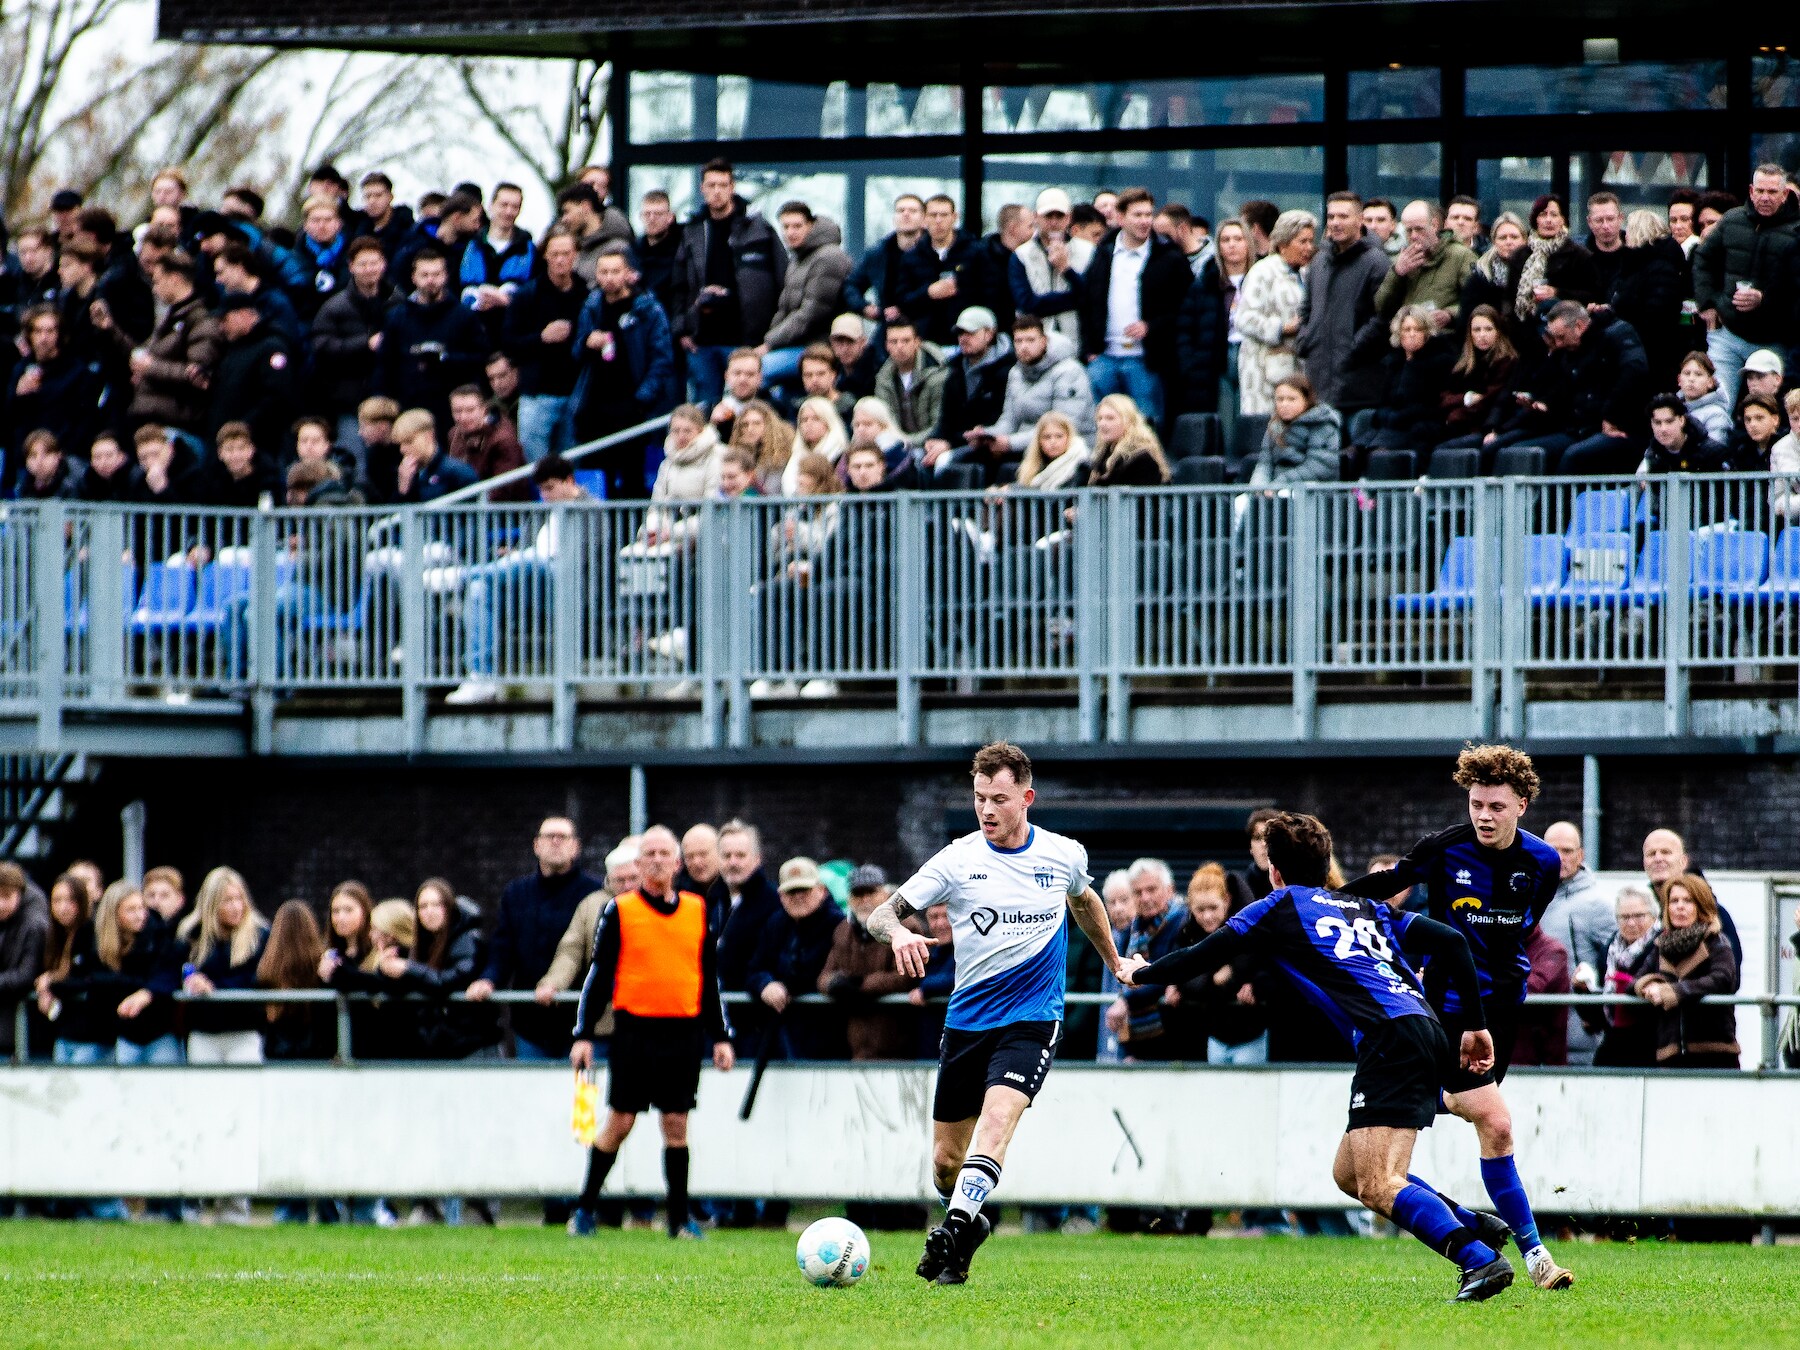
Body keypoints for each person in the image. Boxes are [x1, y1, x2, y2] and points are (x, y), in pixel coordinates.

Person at [1127, 811, 1517, 1303]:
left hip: (1390, 1038)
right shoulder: (1359, 904)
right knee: (1349, 1173)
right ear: (1326, 860)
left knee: (1379, 1184)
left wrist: (1140, 971)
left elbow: (1203, 954)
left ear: (1274, 871)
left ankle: (1479, 1260)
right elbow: (1451, 940)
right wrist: (1477, 1026)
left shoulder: (1279, 905)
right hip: (1423, 1027)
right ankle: (1469, 1222)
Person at [864, 741, 1138, 1285]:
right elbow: (880, 914)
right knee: (946, 1161)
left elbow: (1085, 902)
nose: (987, 810)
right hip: (967, 1023)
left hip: (1033, 1019)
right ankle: (970, 1221)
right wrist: (898, 933)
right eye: (979, 798)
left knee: (997, 1122)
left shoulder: (1062, 855)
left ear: (1026, 797)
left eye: (999, 799)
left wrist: (1115, 961)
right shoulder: (958, 859)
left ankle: (955, 1224)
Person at [1338, 744, 1574, 1291]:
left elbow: (1524, 926)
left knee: (1356, 1174)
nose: (1484, 816)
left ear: (1522, 804)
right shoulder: (1445, 848)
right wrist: (1323, 900)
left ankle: (1473, 1222)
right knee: (1496, 1122)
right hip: (1442, 1012)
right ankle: (1535, 1257)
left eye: (1495, 806)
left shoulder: (1542, 863)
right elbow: (1388, 883)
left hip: (1501, 1009)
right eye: (1475, 805)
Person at [568, 826, 733, 1239]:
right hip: (634, 1032)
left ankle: (679, 1219)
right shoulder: (621, 910)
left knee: (676, 1123)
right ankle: (585, 1209)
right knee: (619, 1121)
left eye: (665, 853)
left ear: (676, 864)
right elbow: (599, 975)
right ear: (638, 864)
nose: (657, 860)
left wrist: (721, 1036)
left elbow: (707, 978)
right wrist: (583, 1033)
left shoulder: (696, 909)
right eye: (649, 854)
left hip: (682, 1032)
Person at [467, 816, 606, 1063]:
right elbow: (503, 949)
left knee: (581, 1098)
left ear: (576, 847)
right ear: (536, 845)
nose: (555, 842)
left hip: (581, 1023)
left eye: (562, 837)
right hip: (531, 1024)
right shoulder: (516, 894)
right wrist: (489, 980)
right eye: (548, 836)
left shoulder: (595, 894)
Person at [671, 160, 786, 405]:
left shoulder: (758, 228)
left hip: (746, 339)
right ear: (702, 188)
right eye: (711, 185)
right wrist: (681, 329)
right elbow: (678, 286)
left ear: (732, 187)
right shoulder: (692, 231)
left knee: (750, 408)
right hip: (702, 340)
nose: (717, 191)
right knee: (705, 410)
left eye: (723, 185)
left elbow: (783, 282)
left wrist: (770, 335)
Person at [1073, 187, 1191, 425]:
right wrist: (1090, 350)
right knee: (1101, 428)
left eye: (1148, 214)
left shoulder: (1170, 257)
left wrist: (1151, 326)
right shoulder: (1103, 253)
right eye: (1137, 215)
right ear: (1120, 217)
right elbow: (1086, 303)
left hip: (1146, 360)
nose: (1145, 221)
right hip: (1104, 358)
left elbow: (1185, 308)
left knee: (1146, 428)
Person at [570, 242, 679, 500]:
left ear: (628, 273)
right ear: (596, 275)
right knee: (597, 477)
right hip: (595, 407)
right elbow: (576, 353)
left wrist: (642, 399)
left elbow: (662, 359)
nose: (609, 278)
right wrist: (587, 343)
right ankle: (600, 538)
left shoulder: (648, 309)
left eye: (615, 271)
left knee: (632, 477)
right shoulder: (591, 307)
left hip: (632, 406)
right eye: (604, 272)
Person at [1691, 163, 1799, 404]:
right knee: (1718, 403)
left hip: (1773, 337)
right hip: (1727, 332)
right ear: (1751, 191)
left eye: (1772, 192)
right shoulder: (1732, 219)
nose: (1765, 198)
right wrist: (1707, 302)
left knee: (1768, 409)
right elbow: (1703, 257)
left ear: (1784, 194)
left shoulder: (1796, 230)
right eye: (1760, 191)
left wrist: (1765, 300)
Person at [1295, 191, 1392, 414]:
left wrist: (1352, 349)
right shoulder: (1319, 260)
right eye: (1331, 217)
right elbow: (1306, 308)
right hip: (1318, 382)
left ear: (1360, 220)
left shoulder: (1376, 262)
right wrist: (1305, 340)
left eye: (1343, 216)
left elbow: (1383, 318)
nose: (1336, 223)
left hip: (1358, 387)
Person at [378, 247, 487, 436]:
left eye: (436, 274)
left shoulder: (464, 316)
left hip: (453, 411)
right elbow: (385, 364)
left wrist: (446, 359)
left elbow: (481, 357)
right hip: (410, 406)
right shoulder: (397, 317)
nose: (430, 280)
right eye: (425, 274)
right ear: (414, 277)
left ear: (445, 276)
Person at [501, 228, 589, 463]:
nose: (560, 259)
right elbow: (508, 344)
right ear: (545, 256)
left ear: (576, 255)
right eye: (554, 254)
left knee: (572, 467)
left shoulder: (587, 294)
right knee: (535, 467)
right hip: (538, 395)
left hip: (576, 393)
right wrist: (541, 337)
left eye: (566, 253)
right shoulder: (527, 295)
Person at [1634, 873, 1740, 1069]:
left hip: (1714, 1052)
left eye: (1688, 901)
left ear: (1701, 906)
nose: (1680, 906)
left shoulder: (1717, 942)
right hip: (1669, 1053)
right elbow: (1636, 979)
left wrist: (1674, 992)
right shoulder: (1660, 944)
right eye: (1674, 901)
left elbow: (1723, 978)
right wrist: (1650, 985)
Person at [1535, 301, 1652, 476]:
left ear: (1579, 326)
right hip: (1579, 427)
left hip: (1620, 427)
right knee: (1527, 451)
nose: (1558, 344)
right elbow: (1561, 386)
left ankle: (1559, 504)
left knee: (1573, 457)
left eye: (1561, 337)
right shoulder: (1569, 349)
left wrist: (1611, 416)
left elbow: (1635, 371)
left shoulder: (1616, 334)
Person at [818, 864, 920, 1059]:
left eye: (871, 893)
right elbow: (824, 976)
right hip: (854, 1044)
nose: (864, 900)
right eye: (858, 894)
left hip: (898, 1044)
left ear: (885, 893)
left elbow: (908, 976)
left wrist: (859, 985)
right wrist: (834, 984)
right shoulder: (843, 930)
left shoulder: (906, 926)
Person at [1537, 821, 1616, 1067]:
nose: (1559, 858)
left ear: (1581, 855)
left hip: (1582, 1039)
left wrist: (1597, 1011)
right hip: (1536, 1031)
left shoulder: (1597, 904)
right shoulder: (1529, 899)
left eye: (1567, 851)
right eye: (1553, 850)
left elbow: (1617, 962)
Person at [179, 866, 270, 1065]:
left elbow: (259, 978)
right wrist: (192, 983)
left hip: (244, 1030)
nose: (237, 906)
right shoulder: (191, 935)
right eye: (228, 901)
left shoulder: (259, 935)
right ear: (212, 904)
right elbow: (174, 971)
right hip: (204, 1031)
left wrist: (213, 988)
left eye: (240, 898)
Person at [1236, 210, 1316, 419]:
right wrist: (1282, 327)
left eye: (1311, 241)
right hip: (1263, 372)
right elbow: (1243, 319)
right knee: (1267, 430)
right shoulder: (1263, 272)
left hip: (1297, 372)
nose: (1309, 248)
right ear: (1283, 242)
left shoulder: (1307, 273)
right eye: (1303, 241)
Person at [1175, 218, 1252, 433]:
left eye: (1238, 238)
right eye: (1226, 239)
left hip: (1253, 355)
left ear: (1249, 243)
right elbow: (1185, 328)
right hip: (1216, 360)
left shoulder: (1262, 278)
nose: (1232, 244)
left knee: (1251, 418)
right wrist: (1190, 365)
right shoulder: (1205, 282)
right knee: (1225, 424)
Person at [922, 307, 1014, 482]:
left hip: (989, 445)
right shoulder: (954, 371)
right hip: (958, 442)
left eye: (970, 333)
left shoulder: (1007, 372)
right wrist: (934, 439)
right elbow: (945, 419)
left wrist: (949, 444)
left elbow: (995, 421)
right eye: (960, 333)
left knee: (945, 462)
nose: (963, 338)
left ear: (989, 333)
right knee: (920, 460)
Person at [759, 203, 853, 373]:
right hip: (795, 345)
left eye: (797, 226)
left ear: (811, 226)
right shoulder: (798, 259)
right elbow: (784, 310)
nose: (790, 232)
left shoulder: (828, 257)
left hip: (820, 348)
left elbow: (811, 313)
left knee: (758, 371)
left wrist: (769, 344)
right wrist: (768, 341)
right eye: (785, 227)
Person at [987, 312, 1097, 455]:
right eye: (1018, 341)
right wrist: (989, 435)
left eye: (1030, 340)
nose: (1024, 346)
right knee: (969, 459)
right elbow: (1010, 420)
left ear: (1044, 341)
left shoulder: (1069, 371)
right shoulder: (1015, 372)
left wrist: (1010, 443)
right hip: (1026, 448)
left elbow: (1062, 427)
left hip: (1066, 449)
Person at [1612, 210, 1689, 389]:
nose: (1626, 236)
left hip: (1652, 351)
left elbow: (1657, 314)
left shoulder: (1659, 267)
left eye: (1629, 230)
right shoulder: (1639, 264)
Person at [1009, 188, 1094, 345]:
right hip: (1033, 343)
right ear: (1036, 217)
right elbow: (1026, 304)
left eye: (1060, 216)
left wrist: (1066, 269)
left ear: (1068, 218)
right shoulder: (1021, 255)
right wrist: (1074, 298)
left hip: (1076, 341)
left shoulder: (1088, 251)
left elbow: (1092, 297)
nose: (1054, 222)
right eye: (1048, 216)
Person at [1641, 827, 1741, 960]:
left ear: (1684, 861)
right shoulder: (1638, 913)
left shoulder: (1714, 914)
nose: (1658, 858)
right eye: (1651, 854)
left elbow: (1729, 973)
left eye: (1666, 852)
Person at [1374, 200, 1476, 328]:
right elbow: (1381, 308)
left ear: (1434, 224)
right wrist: (1397, 273)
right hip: (1408, 338)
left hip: (1444, 338)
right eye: (1409, 231)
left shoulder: (1460, 256)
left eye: (1419, 229)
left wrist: (1450, 314)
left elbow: (1477, 302)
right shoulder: (1403, 260)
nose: (1414, 236)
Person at [894, 194, 978, 345]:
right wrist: (928, 293)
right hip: (925, 341)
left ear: (954, 217)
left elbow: (988, 293)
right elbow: (902, 300)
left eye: (944, 215)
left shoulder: (975, 252)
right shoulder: (911, 257)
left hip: (965, 340)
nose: (938, 221)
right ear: (924, 219)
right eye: (933, 215)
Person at [1593, 885, 1662, 1067]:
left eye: (1639, 916)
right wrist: (1582, 989)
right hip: (1614, 1043)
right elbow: (1599, 1014)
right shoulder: (1609, 951)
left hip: (1652, 1046)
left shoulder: (1663, 945)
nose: (1631, 923)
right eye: (1624, 917)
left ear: (1654, 916)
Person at [1250, 375, 1339, 486]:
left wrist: (1280, 483)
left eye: (1291, 399)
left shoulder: (1323, 423)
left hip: (1311, 490)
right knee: (1239, 502)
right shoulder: (1274, 426)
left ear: (1306, 400)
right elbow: (1264, 463)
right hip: (1275, 488)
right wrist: (1258, 487)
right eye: (1280, 399)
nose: (1284, 404)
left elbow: (1319, 466)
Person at [872, 315, 946, 451]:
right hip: (897, 445)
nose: (899, 346)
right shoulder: (883, 379)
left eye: (905, 341)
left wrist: (907, 442)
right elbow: (885, 422)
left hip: (930, 444)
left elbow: (939, 424)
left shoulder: (937, 373)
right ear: (886, 345)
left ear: (917, 342)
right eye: (893, 342)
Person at [850, 193, 924, 325]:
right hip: (888, 329)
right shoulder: (878, 253)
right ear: (894, 218)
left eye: (913, 211)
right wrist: (864, 307)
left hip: (927, 328)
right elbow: (852, 285)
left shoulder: (934, 251)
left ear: (924, 219)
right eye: (900, 210)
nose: (906, 214)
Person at [0, 863, 48, 1064]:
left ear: (20, 894)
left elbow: (26, 975)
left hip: (21, 1035)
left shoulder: (34, 924)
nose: (1, 904)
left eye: (7, 897)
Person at [390, 408, 479, 504]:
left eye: (409, 442)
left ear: (428, 436)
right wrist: (403, 490)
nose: (402, 449)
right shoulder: (405, 474)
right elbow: (393, 515)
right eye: (400, 444)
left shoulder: (457, 472)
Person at [1085, 393, 1170, 486]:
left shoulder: (1141, 458)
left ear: (1128, 421)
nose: (1102, 424)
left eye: (1110, 418)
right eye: (1100, 418)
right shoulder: (1102, 455)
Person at [1638, 393, 1728, 475]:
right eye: (1657, 423)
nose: (1663, 429)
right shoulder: (1653, 454)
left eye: (1669, 422)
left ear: (1682, 420)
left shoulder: (1713, 453)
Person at [1014, 410, 1090, 491]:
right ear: (1039, 441)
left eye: (1059, 436)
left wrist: (1013, 490)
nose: (1053, 442)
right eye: (1047, 437)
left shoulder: (1081, 466)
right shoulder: (1033, 467)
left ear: (1069, 437)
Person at [1676, 352, 1736, 444]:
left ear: (1710, 382)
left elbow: (1714, 452)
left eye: (1698, 374)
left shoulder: (1717, 415)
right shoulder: (1671, 410)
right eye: (1687, 373)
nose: (1691, 379)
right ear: (1679, 380)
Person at [1772, 388, 1800, 522]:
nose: (1799, 424)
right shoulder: (1780, 448)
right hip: (1792, 513)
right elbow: (1777, 498)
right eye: (1795, 419)